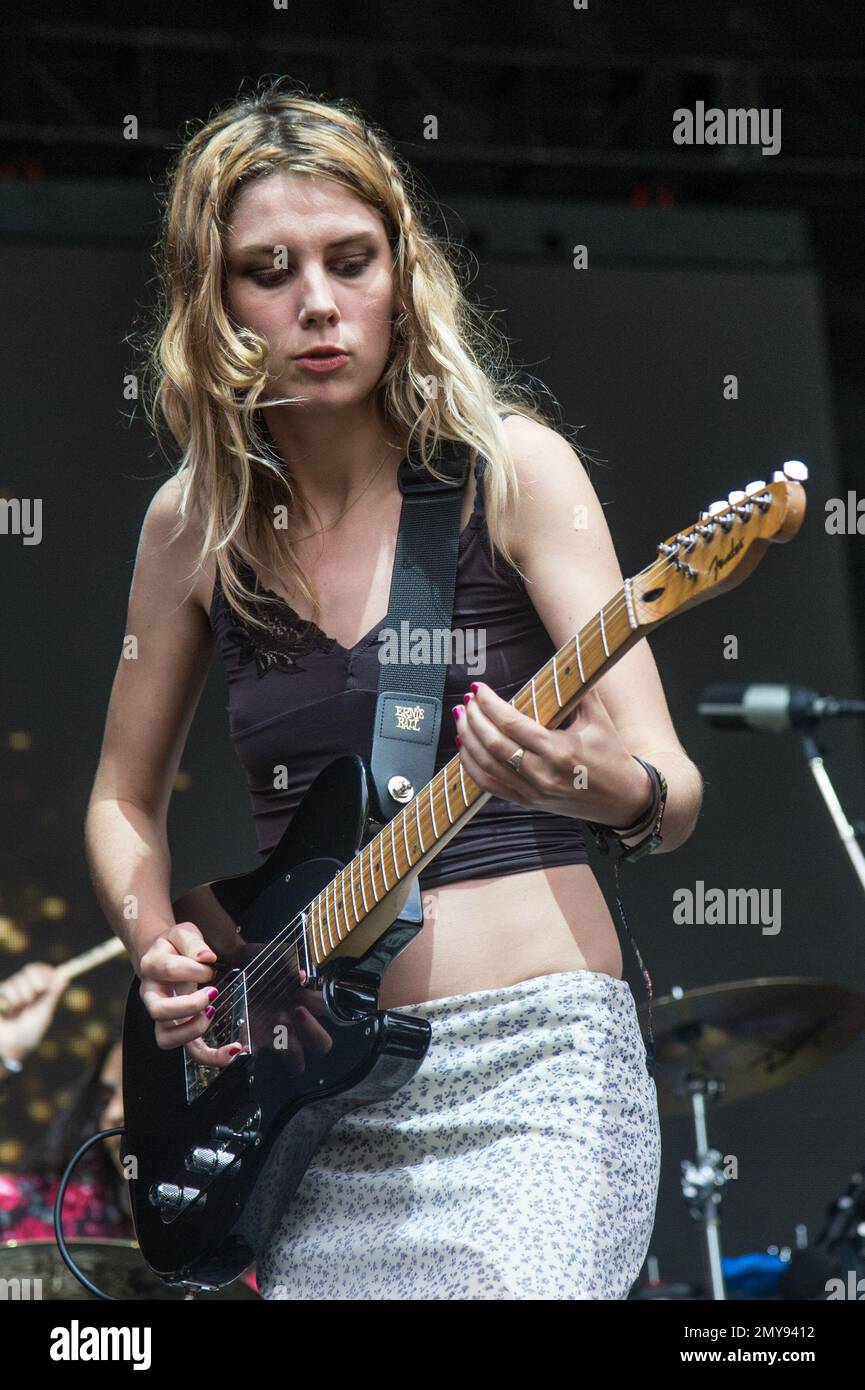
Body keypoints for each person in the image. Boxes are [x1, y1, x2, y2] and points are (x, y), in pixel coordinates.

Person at [84, 80, 704, 1300]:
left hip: (540, 1073)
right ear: (210, 301)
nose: (317, 302)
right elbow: (120, 797)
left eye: (350, 259)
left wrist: (576, 778)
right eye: (269, 269)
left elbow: (671, 790)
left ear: (402, 273)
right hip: (320, 1106)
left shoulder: (509, 471)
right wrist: (154, 943)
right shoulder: (192, 529)